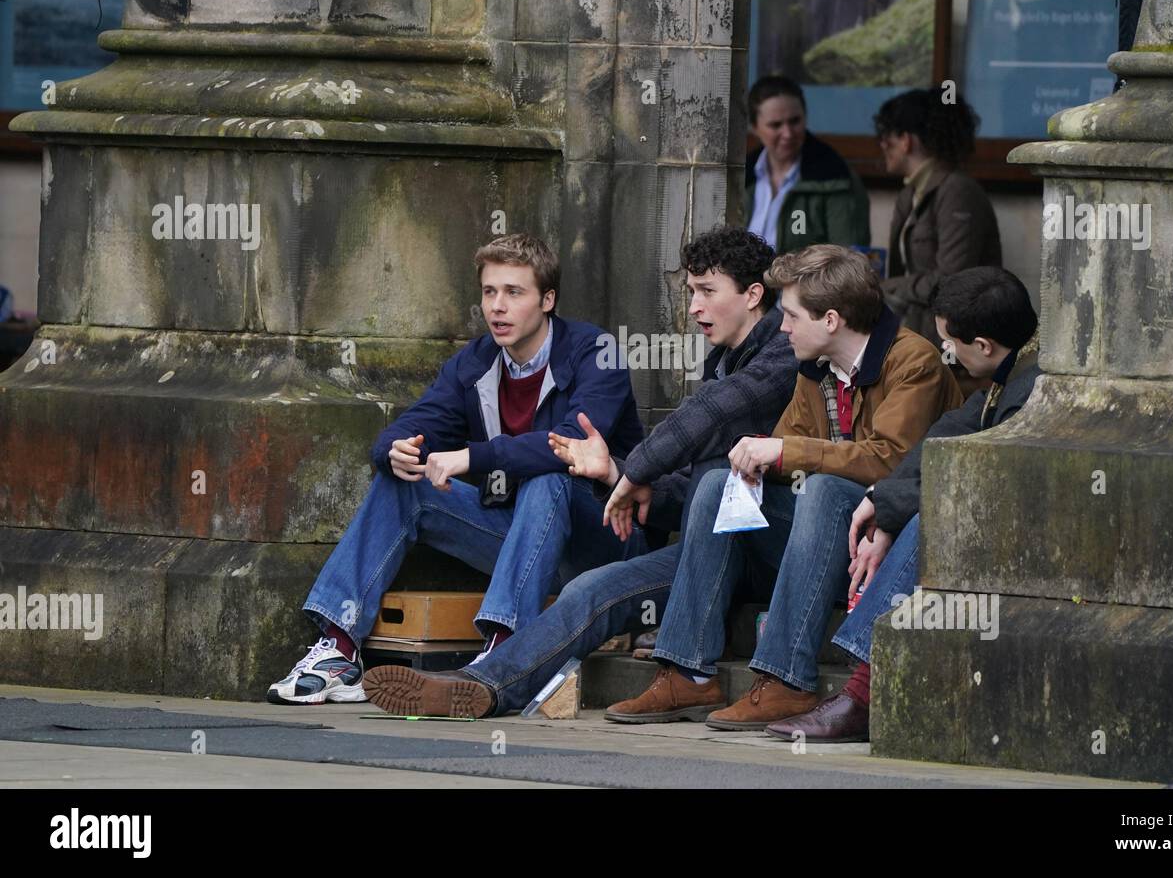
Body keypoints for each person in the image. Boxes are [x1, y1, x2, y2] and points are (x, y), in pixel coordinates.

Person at [358, 227, 801, 718]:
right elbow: (688, 497)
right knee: (587, 589)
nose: (693, 307)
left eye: (706, 292)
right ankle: (482, 685)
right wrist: (614, 472)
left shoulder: (785, 350)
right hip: (711, 548)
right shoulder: (722, 362)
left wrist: (634, 474)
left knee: (717, 479)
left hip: (776, 544)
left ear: (754, 294)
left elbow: (708, 416)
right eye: (690, 292)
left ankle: (688, 670)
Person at [267, 233, 644, 704]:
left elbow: (567, 447)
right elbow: (415, 422)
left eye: (514, 292)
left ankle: (503, 652)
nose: (498, 307)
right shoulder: (476, 362)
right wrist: (394, 449)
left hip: (602, 544)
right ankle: (339, 650)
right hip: (522, 546)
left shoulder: (596, 351)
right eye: (489, 292)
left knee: (550, 479)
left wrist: (472, 457)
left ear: (548, 300)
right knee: (405, 483)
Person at [605, 245, 964, 729]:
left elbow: (890, 460)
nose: (783, 327)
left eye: (791, 315)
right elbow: (784, 447)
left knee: (823, 490)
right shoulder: (813, 368)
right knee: (715, 486)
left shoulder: (912, 360)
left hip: (886, 549)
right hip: (822, 546)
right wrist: (755, 458)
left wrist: (783, 453)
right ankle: (687, 673)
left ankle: (785, 680)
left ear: (831, 319)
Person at [766, 266, 1041, 742]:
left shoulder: (1030, 390)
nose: (947, 355)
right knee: (910, 513)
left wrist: (893, 513)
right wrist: (882, 504)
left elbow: (973, 469)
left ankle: (863, 695)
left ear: (984, 346)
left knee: (927, 521)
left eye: (951, 343)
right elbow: (949, 434)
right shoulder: (1010, 372)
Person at [876, 87, 1001, 348]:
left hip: (955, 344)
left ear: (906, 140)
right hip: (919, 336)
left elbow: (953, 281)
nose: (882, 145)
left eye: (886, 135)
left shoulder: (956, 190)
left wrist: (888, 286)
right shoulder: (910, 193)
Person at [744, 76, 870, 253]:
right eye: (775, 125)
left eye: (795, 121)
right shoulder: (741, 176)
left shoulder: (836, 176)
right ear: (754, 128)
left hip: (805, 281)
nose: (787, 133)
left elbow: (848, 261)